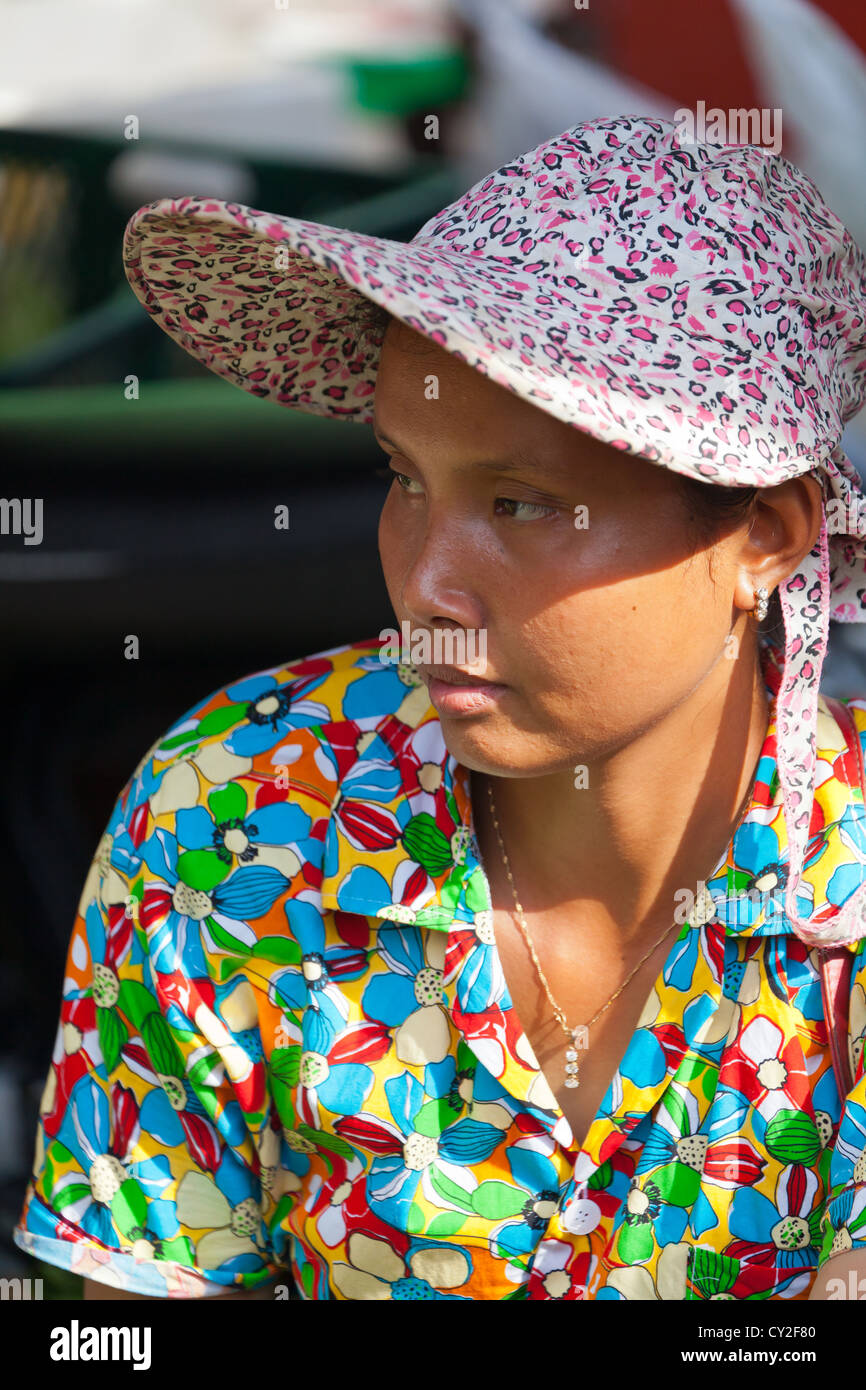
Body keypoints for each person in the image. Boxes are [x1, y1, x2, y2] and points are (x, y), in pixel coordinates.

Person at [12, 115, 866, 1301]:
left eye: (519, 503)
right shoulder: (237, 812)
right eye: (402, 478)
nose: (426, 585)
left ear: (762, 538)